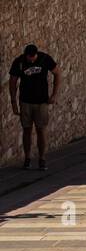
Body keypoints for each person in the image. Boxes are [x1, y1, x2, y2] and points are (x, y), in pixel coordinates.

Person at [8, 44, 59, 172]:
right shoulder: (19, 62)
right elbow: (13, 81)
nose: (31, 60)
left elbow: (57, 73)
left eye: (33, 58)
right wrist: (13, 102)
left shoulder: (45, 59)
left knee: (41, 130)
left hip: (41, 101)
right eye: (29, 58)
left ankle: (42, 158)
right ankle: (27, 158)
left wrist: (54, 94)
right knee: (27, 130)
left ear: (36, 54)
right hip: (25, 101)